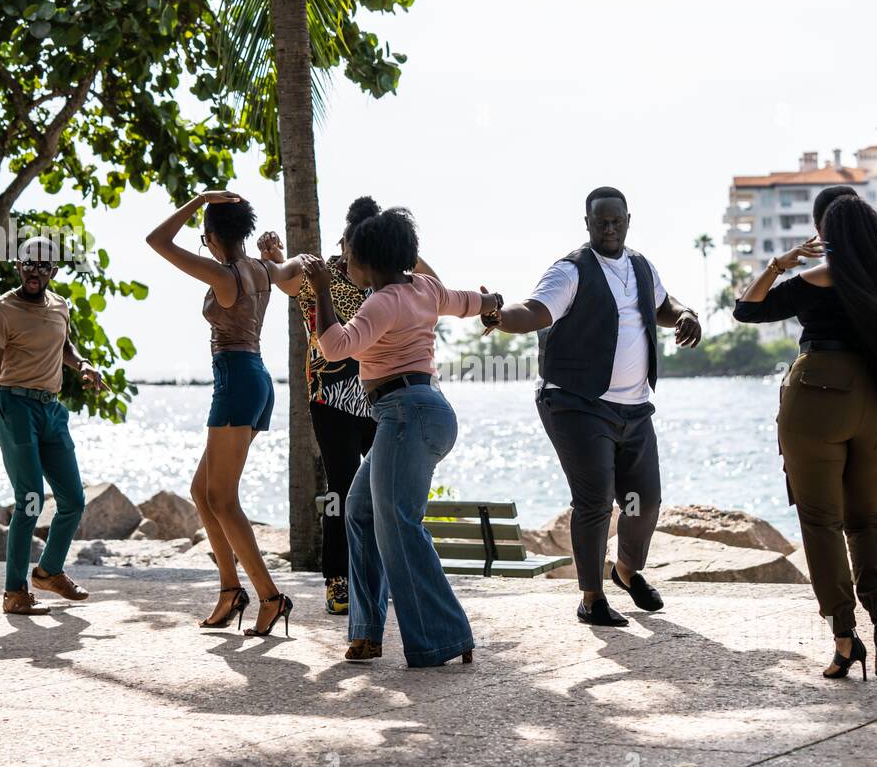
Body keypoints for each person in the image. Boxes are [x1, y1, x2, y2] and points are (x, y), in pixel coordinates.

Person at [735, 194, 877, 679]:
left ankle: (846, 639)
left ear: (823, 232)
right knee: (867, 518)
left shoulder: (811, 279)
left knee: (821, 522)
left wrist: (778, 263)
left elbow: (747, 310)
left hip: (817, 399)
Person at [480, 186, 702, 627]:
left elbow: (660, 304)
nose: (609, 228)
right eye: (600, 221)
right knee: (596, 500)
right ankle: (591, 597)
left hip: (635, 408)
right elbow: (536, 310)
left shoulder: (640, 265)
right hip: (577, 404)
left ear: (627, 220)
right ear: (587, 223)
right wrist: (501, 317)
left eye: (616, 221)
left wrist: (684, 313)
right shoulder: (570, 270)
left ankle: (625, 571)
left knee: (645, 502)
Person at [301, 207, 502, 667]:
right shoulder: (425, 289)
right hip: (426, 411)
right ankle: (368, 632)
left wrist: (323, 291)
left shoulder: (381, 302)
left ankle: (443, 636)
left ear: (368, 261)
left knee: (400, 525)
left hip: (404, 414)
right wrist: (494, 304)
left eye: (349, 255)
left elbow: (333, 348)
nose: (344, 262)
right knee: (360, 511)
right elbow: (467, 300)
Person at [146, 189, 316, 636]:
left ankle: (271, 597)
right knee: (202, 491)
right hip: (254, 379)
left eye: (204, 237)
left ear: (212, 236)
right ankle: (229, 590)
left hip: (237, 379)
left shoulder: (224, 274)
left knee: (222, 497)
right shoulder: (263, 268)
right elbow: (298, 266)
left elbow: (156, 241)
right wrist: (279, 252)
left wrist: (197, 200)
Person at [269, 195, 440, 616]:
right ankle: (337, 579)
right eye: (351, 241)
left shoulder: (387, 278)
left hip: (382, 400)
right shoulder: (320, 273)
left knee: (388, 491)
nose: (354, 250)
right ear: (343, 240)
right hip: (332, 398)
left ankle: (384, 577)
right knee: (341, 491)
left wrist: (402, 253)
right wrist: (272, 260)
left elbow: (434, 289)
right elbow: (281, 277)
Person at [0, 237, 104, 615]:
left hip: (51, 410)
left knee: (73, 499)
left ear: (53, 271)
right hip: (14, 407)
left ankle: (49, 572)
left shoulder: (60, 306)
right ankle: (14, 591)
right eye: (28, 264)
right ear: (18, 265)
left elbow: (65, 347)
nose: (34, 271)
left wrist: (82, 364)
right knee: (31, 500)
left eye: (43, 266)